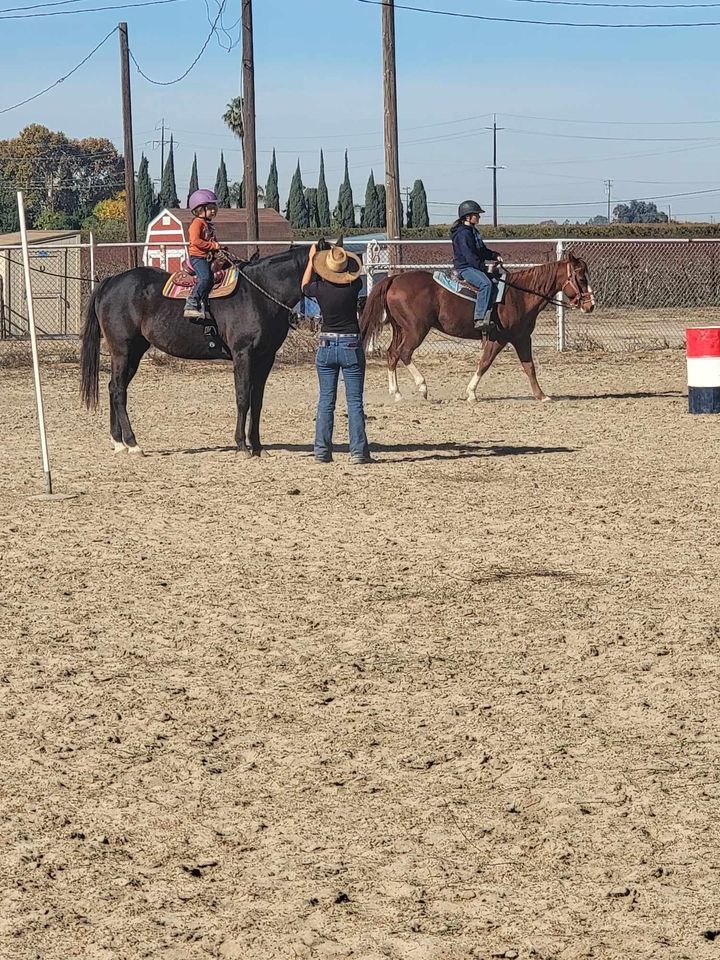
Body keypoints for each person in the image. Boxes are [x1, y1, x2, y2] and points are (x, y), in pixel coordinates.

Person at [301, 240, 371, 465]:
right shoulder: (354, 287)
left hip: (326, 344)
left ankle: (321, 450)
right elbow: (354, 271)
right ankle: (358, 451)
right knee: (354, 402)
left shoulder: (319, 290)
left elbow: (304, 285)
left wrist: (313, 260)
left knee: (325, 400)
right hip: (351, 343)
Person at [450, 200, 503, 334]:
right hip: (465, 268)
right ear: (468, 217)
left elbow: (481, 250)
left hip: (472, 266)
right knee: (486, 284)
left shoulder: (472, 231)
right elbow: (470, 256)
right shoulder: (463, 233)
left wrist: (494, 255)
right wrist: (483, 268)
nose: (479, 217)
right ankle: (479, 318)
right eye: (477, 214)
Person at [184, 188, 221, 321]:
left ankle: (204, 302)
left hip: (207, 256)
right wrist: (212, 246)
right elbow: (196, 241)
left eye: (215, 208)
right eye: (211, 208)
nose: (214, 211)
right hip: (198, 257)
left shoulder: (209, 225)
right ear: (199, 209)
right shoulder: (197, 223)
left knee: (212, 279)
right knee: (205, 278)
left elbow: (212, 241)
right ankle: (191, 302)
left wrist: (219, 249)